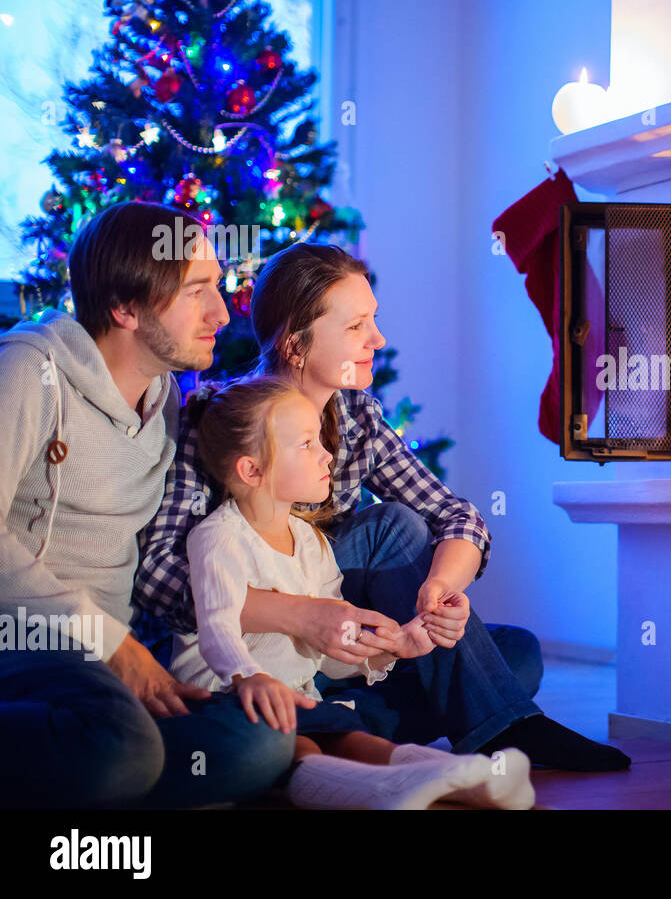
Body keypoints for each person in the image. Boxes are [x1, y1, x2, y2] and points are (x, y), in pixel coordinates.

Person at [137, 242, 630, 771]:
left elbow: (458, 518)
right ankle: (483, 724)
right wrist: (305, 615)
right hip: (238, 646)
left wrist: (441, 591)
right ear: (295, 345)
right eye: (355, 327)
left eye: (374, 320)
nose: (378, 339)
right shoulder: (216, 421)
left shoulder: (357, 419)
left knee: (518, 655)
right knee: (393, 528)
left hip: (335, 651)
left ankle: (320, 720)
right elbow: (157, 574)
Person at [0, 201, 294, 808]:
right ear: (125, 307)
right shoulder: (30, 372)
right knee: (125, 749)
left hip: (107, 663)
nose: (222, 311)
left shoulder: (167, 404)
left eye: (219, 286)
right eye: (197, 291)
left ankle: (91, 775)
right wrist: (108, 642)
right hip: (24, 647)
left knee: (263, 740)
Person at [176, 375, 534, 808]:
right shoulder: (218, 538)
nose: (327, 453)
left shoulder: (311, 543)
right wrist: (247, 676)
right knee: (301, 743)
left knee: (345, 735)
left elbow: (328, 650)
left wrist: (395, 647)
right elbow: (216, 625)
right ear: (251, 470)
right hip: (224, 692)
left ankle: (464, 777)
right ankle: (388, 790)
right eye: (307, 444)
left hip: (298, 696)